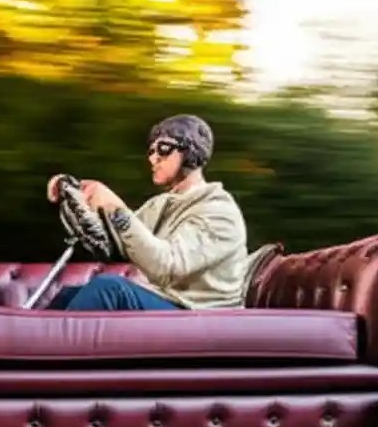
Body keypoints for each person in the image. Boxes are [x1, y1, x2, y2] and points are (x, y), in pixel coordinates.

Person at [45, 114, 248, 312]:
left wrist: (114, 207)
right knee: (68, 294)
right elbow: (118, 241)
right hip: (167, 301)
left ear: (190, 152)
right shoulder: (161, 204)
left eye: (163, 149)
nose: (153, 158)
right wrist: (76, 196)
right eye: (151, 151)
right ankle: (33, 343)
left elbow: (166, 268)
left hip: (202, 315)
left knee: (108, 289)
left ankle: (52, 346)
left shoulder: (218, 210)